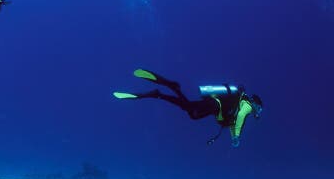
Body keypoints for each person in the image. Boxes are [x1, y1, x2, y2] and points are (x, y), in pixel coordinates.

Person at [113, 68, 263, 147]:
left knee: (190, 111)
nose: (258, 112)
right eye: (259, 109)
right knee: (191, 110)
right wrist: (237, 136)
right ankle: (170, 89)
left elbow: (232, 122)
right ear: (255, 104)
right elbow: (241, 117)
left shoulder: (240, 104)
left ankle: (160, 93)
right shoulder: (248, 106)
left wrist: (234, 137)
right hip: (215, 105)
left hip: (214, 105)